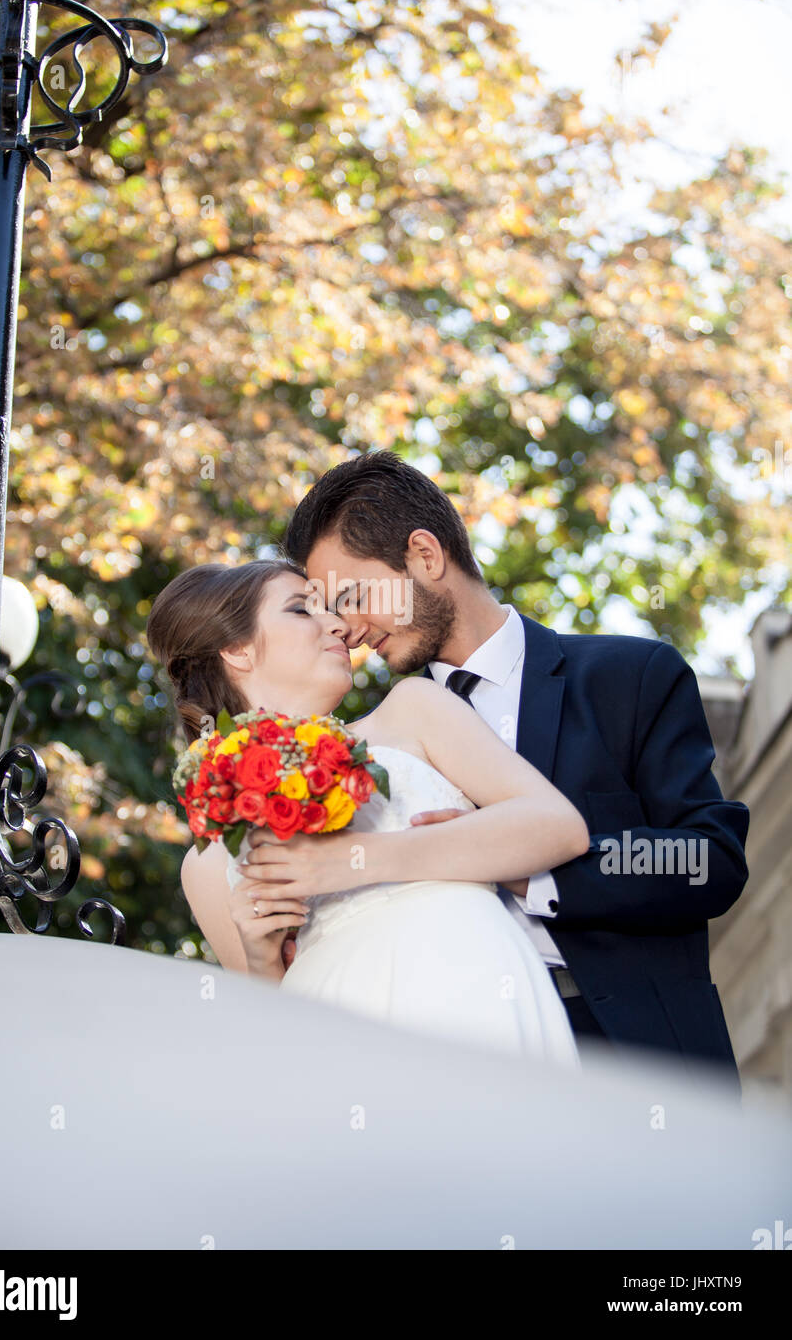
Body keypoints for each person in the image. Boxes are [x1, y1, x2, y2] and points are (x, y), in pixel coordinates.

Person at [280, 448, 750, 1089]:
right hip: (462, 1073)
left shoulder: (629, 679)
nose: (348, 630)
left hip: (637, 1055)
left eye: (354, 596)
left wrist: (530, 867)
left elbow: (706, 858)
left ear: (425, 554)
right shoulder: (376, 749)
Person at [147, 559, 590, 1066]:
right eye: (301, 609)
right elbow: (274, 1050)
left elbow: (560, 828)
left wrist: (356, 858)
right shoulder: (208, 863)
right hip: (337, 1042)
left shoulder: (412, 710)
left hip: (473, 981)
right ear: (237, 649)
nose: (338, 624)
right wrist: (262, 956)